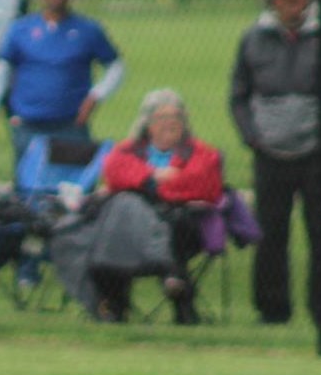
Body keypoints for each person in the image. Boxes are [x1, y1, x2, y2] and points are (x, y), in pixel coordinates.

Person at [230, 0, 321, 327]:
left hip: (320, 154)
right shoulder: (253, 38)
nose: (292, 4)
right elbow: (239, 95)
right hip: (270, 152)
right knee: (270, 232)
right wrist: (253, 136)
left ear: (308, 0)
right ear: (272, 1)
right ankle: (273, 311)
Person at [0, 0, 125, 170]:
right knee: (29, 187)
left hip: (70, 124)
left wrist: (95, 96)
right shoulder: (21, 30)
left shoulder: (88, 30)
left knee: (71, 186)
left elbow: (116, 66)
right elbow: (0, 72)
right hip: (29, 124)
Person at [94, 88, 225, 325]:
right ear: (147, 123)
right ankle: (160, 285)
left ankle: (177, 293)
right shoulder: (128, 149)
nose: (170, 124)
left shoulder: (202, 153)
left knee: (166, 224)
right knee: (119, 221)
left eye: (176, 118)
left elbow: (202, 185)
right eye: (161, 118)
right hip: (134, 228)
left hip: (183, 225)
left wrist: (149, 188)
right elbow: (114, 171)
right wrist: (153, 178)